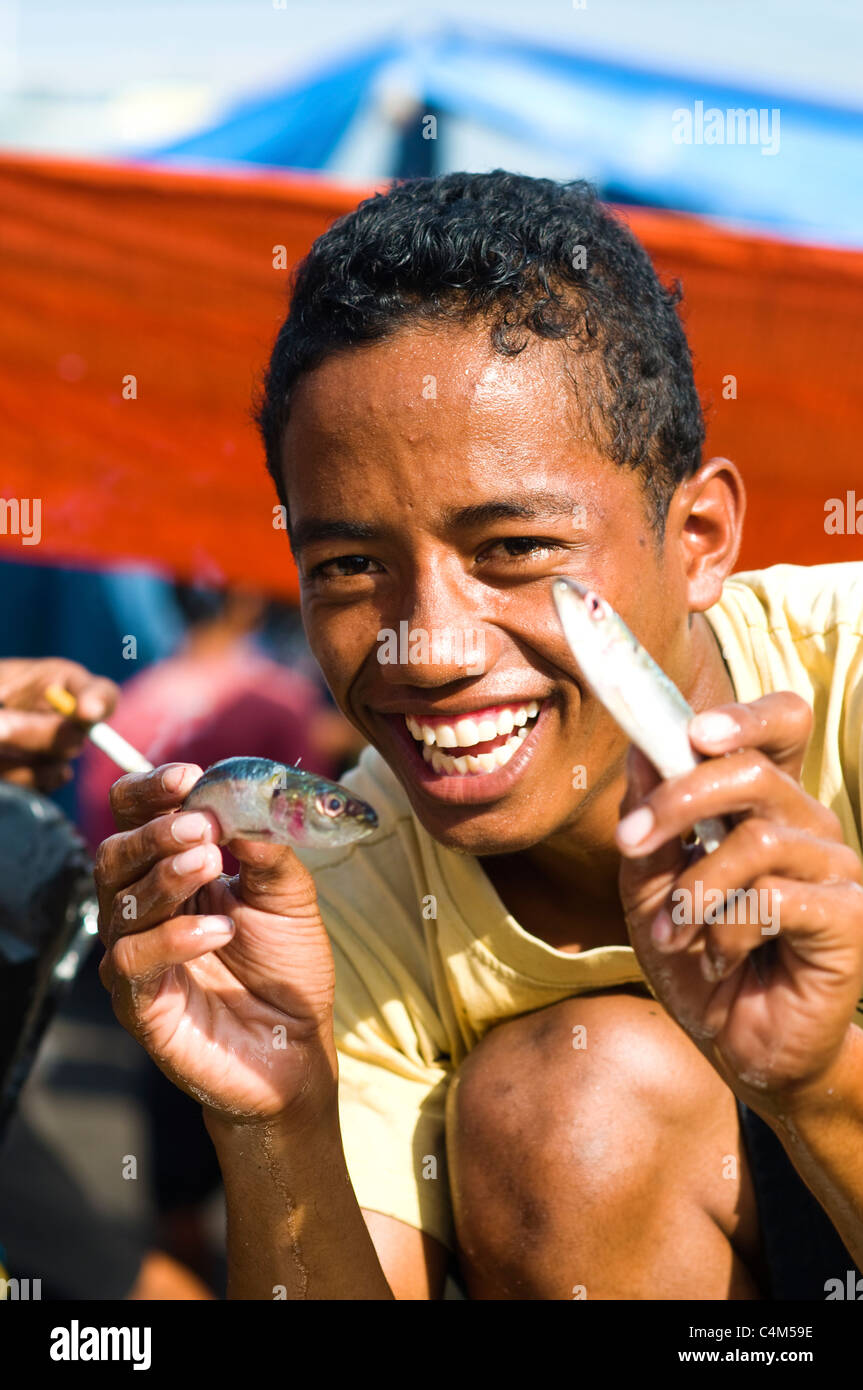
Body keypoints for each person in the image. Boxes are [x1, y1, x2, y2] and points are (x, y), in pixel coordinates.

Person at [94, 173, 863, 1300]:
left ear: (696, 536)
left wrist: (820, 1086)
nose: (428, 648)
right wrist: (275, 1123)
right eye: (350, 567)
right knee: (571, 1108)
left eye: (511, 548)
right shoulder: (335, 900)